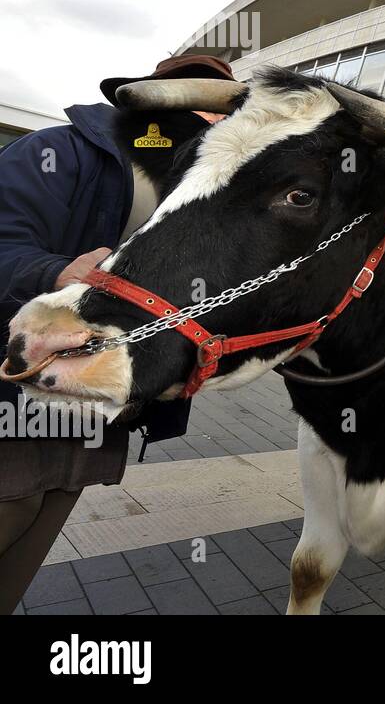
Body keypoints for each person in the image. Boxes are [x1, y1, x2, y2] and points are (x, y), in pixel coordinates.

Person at [0, 55, 234, 615]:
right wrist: (57, 273)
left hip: (97, 411)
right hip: (15, 389)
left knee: (28, 547)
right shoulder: (57, 154)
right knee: (15, 504)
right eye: (204, 108)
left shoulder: (205, 194)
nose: (217, 125)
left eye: (228, 114)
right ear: (152, 107)